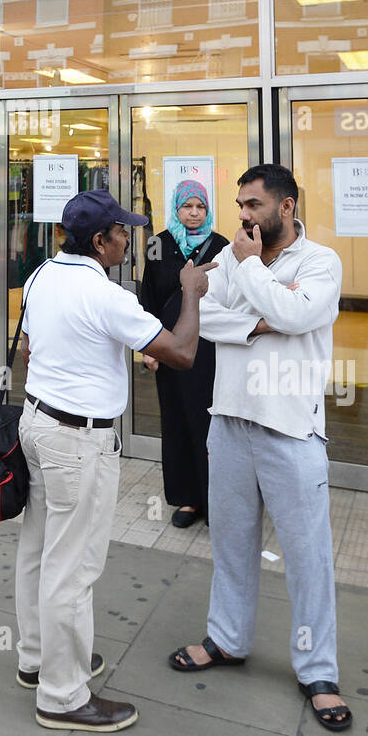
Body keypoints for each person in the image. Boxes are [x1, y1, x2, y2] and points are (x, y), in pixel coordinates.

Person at [15, 188, 216, 732]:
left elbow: (27, 350)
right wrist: (190, 291)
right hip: (78, 440)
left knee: (38, 551)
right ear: (100, 241)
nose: (129, 238)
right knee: (72, 569)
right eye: (122, 231)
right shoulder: (106, 295)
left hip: (36, 424)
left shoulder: (40, 276)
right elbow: (181, 352)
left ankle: (38, 659)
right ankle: (63, 695)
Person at [168, 164, 352, 732]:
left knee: (308, 558)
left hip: (291, 431)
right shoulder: (228, 258)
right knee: (231, 545)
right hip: (228, 425)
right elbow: (201, 317)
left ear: (286, 207)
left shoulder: (320, 262)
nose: (243, 215)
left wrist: (253, 279)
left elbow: (298, 313)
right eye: (240, 205)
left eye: (254, 205)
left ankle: (317, 669)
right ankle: (227, 640)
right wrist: (257, 319)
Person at [138, 180, 228, 527]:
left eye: (200, 207)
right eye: (186, 207)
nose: (193, 213)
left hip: (211, 349)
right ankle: (188, 499)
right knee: (176, 421)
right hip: (170, 347)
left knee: (211, 424)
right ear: (175, 210)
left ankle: (215, 499)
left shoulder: (221, 247)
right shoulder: (159, 245)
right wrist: (148, 346)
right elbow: (148, 298)